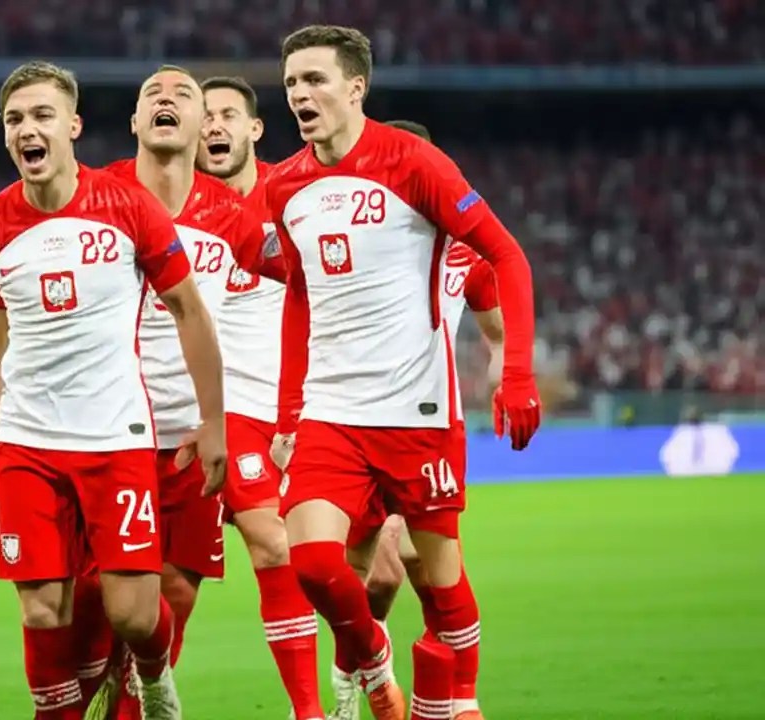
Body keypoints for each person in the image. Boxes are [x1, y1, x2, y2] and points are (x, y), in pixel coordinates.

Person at [266, 26, 541, 720]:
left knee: (440, 582)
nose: (300, 93)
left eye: (315, 79)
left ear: (356, 87)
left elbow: (507, 256)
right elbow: (299, 297)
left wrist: (516, 374)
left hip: (417, 414)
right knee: (313, 563)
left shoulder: (415, 163)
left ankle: (456, 702)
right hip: (331, 414)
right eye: (292, 81)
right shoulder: (285, 185)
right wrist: (288, 412)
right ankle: (374, 660)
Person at [0, 60, 227, 719]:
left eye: (42, 115)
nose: (28, 129)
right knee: (40, 608)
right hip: (28, 443)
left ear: (73, 126)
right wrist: (2, 425)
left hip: (115, 437)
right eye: (15, 119)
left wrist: (214, 421)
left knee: (133, 614)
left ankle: (154, 676)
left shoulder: (128, 207)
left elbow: (189, 310)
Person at [97, 64, 288, 720]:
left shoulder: (230, 214)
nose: (168, 101)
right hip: (106, 429)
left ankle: (145, 699)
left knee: (175, 592)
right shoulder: (99, 196)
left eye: (185, 95)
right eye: (154, 93)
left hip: (189, 432)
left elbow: (297, 277)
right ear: (134, 120)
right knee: (95, 610)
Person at [327, 118, 506, 720]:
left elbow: (496, 330)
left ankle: (450, 701)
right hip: (352, 421)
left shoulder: (464, 253)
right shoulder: (362, 245)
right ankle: (356, 673)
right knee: (367, 580)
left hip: (427, 425)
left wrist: (505, 368)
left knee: (427, 571)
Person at [197, 75, 326, 720]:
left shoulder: (296, 193)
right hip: (222, 407)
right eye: (204, 115)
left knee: (371, 568)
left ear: (254, 129)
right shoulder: (174, 205)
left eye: (228, 114)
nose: (214, 125)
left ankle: (369, 673)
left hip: (302, 409)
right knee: (271, 544)